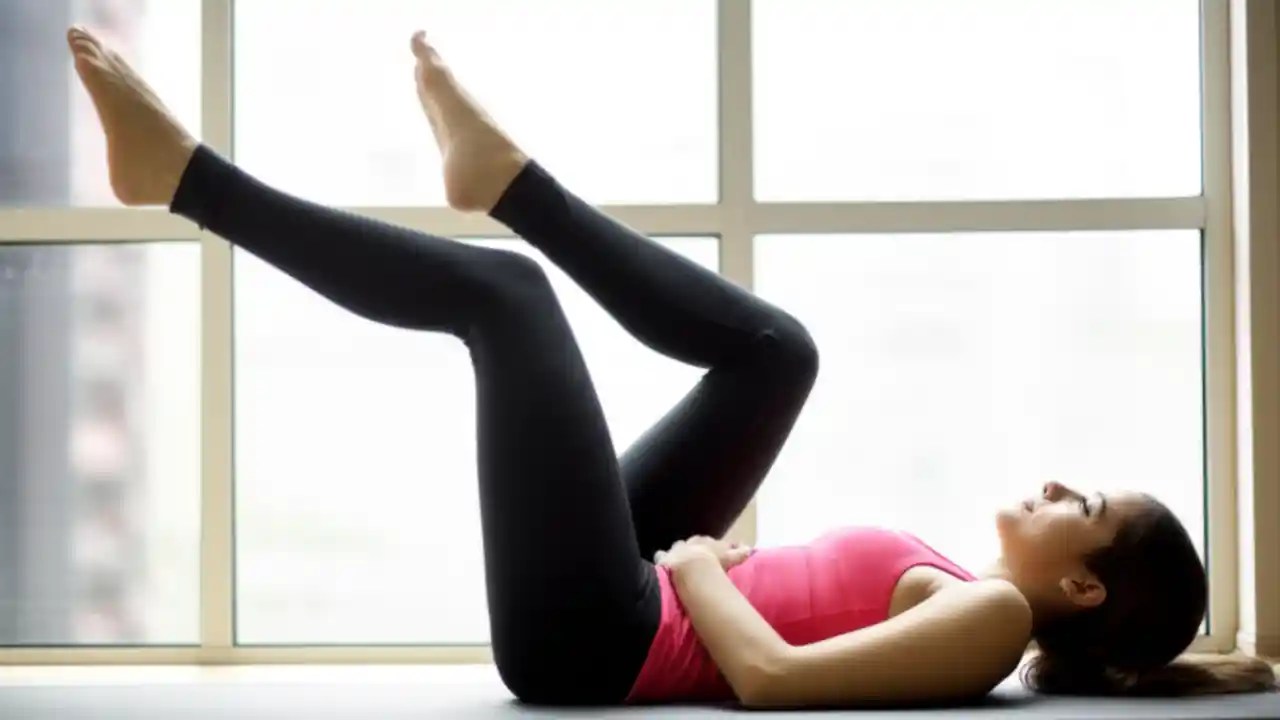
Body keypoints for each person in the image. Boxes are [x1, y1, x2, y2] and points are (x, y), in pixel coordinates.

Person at [64, 25, 1276, 708]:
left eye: (1086, 507)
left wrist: (700, 567)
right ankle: (507, 185)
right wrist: (717, 564)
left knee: (503, 300)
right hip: (634, 600)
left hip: (597, 639)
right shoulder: (978, 592)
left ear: (1081, 591)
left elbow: (770, 682)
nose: (1060, 485)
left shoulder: (996, 615)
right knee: (775, 357)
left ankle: (183, 180)